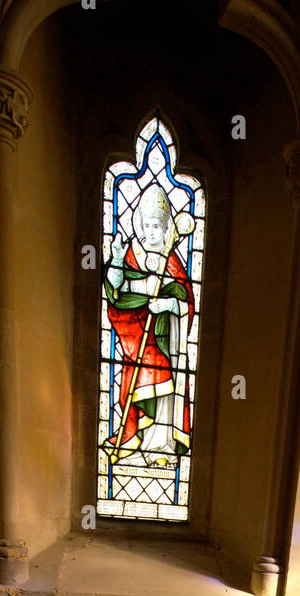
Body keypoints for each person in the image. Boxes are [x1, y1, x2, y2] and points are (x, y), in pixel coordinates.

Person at [104, 184, 195, 469]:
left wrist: (169, 305)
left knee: (166, 391)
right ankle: (136, 443)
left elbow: (187, 304)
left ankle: (162, 446)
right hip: (138, 339)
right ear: (140, 226)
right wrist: (117, 261)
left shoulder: (173, 262)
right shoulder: (132, 256)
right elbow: (117, 293)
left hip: (166, 343)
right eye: (147, 225)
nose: (152, 231)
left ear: (166, 227)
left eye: (157, 225)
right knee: (138, 388)